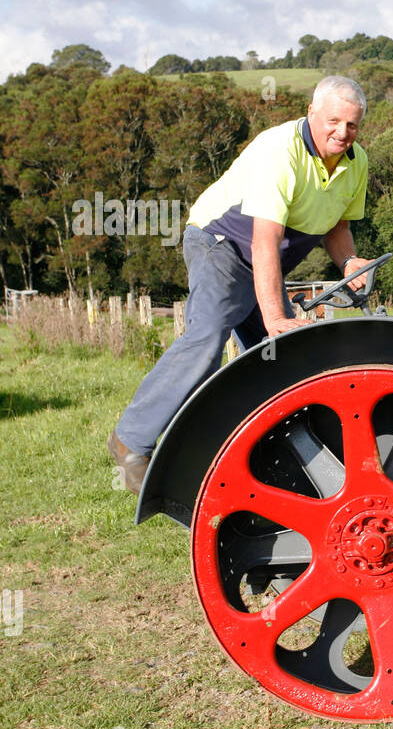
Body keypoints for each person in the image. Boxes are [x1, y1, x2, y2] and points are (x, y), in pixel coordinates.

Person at [108, 75, 373, 494]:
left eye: (353, 124)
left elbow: (337, 227)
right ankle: (131, 441)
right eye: (334, 121)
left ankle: (273, 465)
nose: (342, 133)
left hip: (263, 262)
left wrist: (350, 262)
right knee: (210, 333)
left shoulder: (356, 164)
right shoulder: (279, 151)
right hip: (221, 242)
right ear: (311, 114)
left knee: (280, 361)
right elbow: (263, 240)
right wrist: (275, 317)